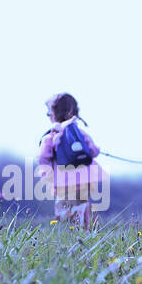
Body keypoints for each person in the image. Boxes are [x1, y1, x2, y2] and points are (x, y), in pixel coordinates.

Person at [39, 93, 106, 229]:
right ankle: (86, 224)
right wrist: (97, 149)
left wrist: (47, 175)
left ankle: (75, 229)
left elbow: (43, 158)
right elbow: (93, 151)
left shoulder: (51, 136)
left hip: (63, 183)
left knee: (64, 211)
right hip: (85, 181)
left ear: (53, 114)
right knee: (81, 204)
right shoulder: (79, 134)